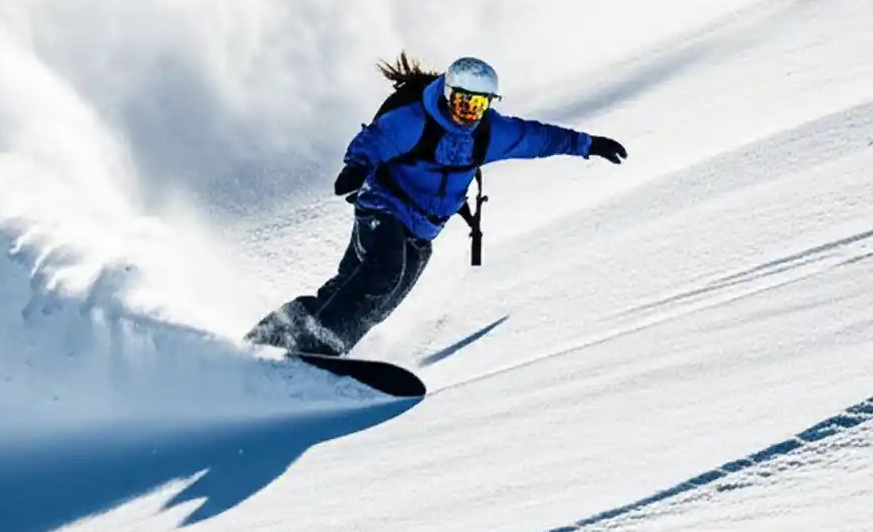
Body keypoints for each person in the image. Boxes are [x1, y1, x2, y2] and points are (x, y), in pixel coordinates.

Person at [245, 53, 628, 357]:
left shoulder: (491, 133)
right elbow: (373, 141)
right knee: (382, 272)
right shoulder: (414, 121)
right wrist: (355, 168)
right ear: (447, 94)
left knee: (374, 299)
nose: (467, 112)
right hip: (383, 210)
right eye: (462, 102)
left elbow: (538, 138)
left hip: (423, 230)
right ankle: (322, 345)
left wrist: (588, 144)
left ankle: (276, 331)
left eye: (477, 105)